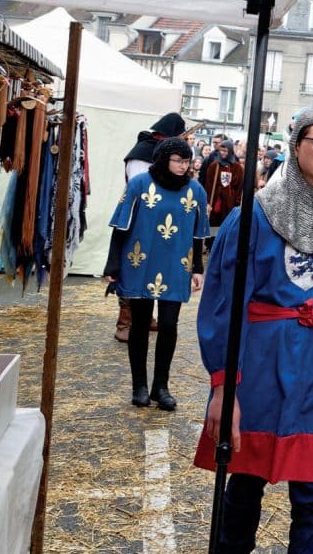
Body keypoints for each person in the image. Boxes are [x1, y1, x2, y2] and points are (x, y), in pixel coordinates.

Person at [194, 106, 313, 552]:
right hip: (258, 365)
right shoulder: (251, 218)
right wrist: (224, 388)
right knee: (243, 487)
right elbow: (224, 306)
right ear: (297, 144)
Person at [104, 139, 209, 410]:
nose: (184, 166)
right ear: (164, 159)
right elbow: (120, 226)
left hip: (177, 265)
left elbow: (198, 234)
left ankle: (160, 386)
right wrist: (112, 265)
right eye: (178, 160)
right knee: (139, 325)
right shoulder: (139, 184)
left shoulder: (195, 190)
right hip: (140, 262)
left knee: (169, 325)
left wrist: (198, 267)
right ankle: (139, 385)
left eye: (187, 161)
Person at [115, 112, 187, 342]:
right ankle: (125, 323)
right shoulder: (142, 152)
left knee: (155, 268)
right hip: (139, 219)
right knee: (135, 267)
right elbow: (141, 189)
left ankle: (146, 319)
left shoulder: (163, 152)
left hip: (160, 222)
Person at [202, 139, 244, 235]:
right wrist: (208, 202)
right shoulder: (214, 166)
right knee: (213, 226)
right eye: (221, 150)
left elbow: (239, 188)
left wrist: (236, 203)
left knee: (226, 226)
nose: (222, 153)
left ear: (230, 151)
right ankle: (211, 246)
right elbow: (208, 185)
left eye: (225, 151)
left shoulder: (237, 168)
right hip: (215, 201)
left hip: (230, 203)